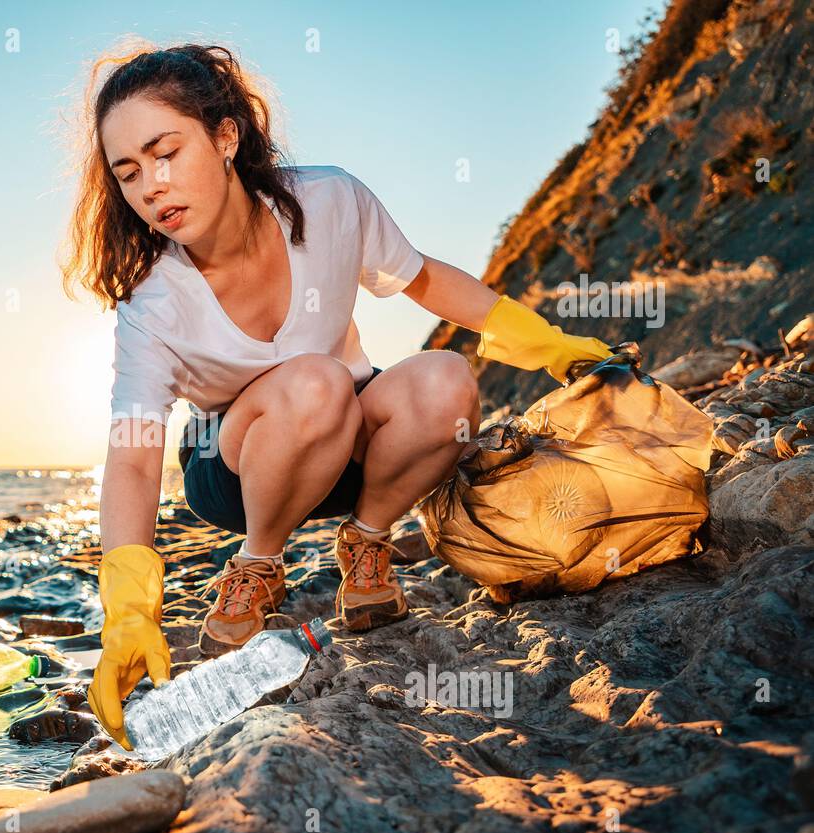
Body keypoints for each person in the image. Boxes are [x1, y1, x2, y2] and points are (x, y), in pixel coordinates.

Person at [60, 42, 612, 750]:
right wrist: (128, 611)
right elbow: (134, 456)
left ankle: (368, 542)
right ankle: (258, 566)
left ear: (225, 136)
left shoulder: (328, 201)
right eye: (128, 172)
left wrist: (548, 344)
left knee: (445, 379)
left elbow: (422, 279)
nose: (150, 187)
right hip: (233, 468)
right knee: (314, 380)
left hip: (352, 438)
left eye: (165, 151)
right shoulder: (153, 300)